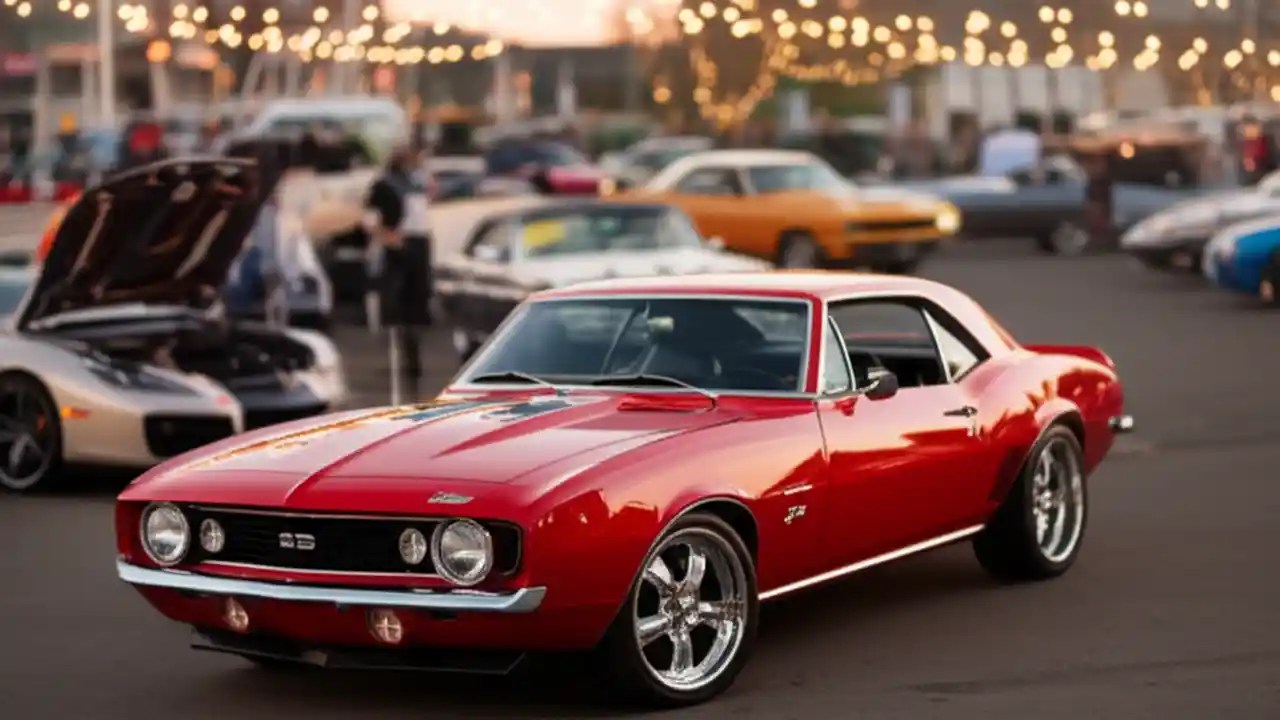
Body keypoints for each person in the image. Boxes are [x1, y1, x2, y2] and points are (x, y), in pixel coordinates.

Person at [365, 144, 433, 402]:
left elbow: (423, 216)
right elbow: (370, 218)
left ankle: (413, 357)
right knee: (398, 306)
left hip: (420, 244)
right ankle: (400, 354)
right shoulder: (385, 185)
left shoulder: (418, 183)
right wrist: (388, 237)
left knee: (417, 305)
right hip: (399, 245)